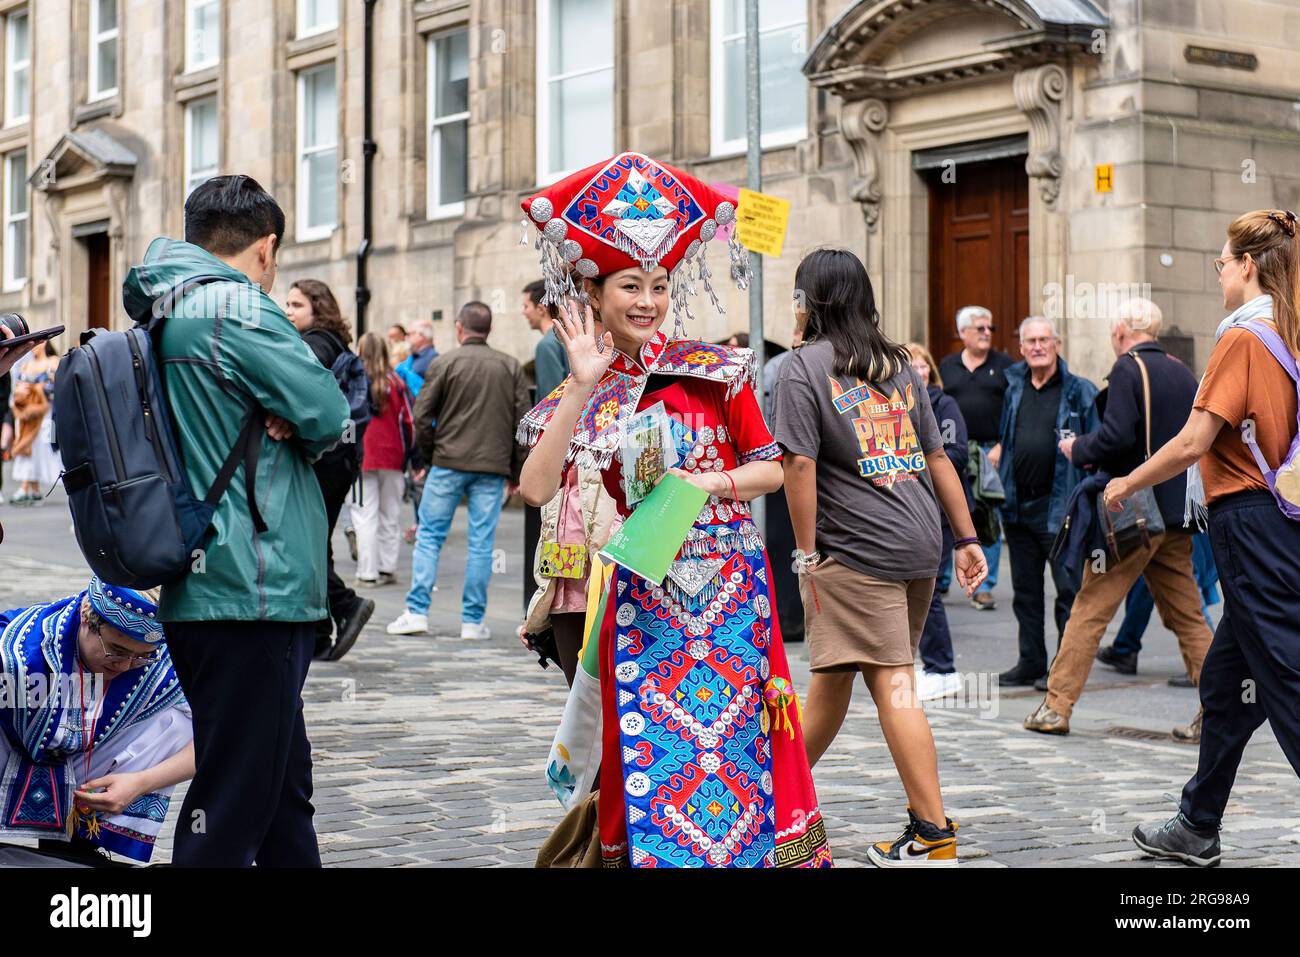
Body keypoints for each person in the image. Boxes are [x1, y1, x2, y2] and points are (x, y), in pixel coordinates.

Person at [518, 151, 830, 868]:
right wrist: (578, 386)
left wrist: (704, 485)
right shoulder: (587, 387)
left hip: (730, 598)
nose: (648, 301)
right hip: (640, 601)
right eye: (630, 284)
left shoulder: (717, 373)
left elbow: (771, 470)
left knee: (740, 745)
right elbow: (536, 488)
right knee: (650, 755)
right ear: (594, 293)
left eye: (659, 285)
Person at [124, 174, 349, 867]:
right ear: (267, 246)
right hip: (253, 578)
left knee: (281, 793)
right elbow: (329, 413)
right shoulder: (235, 307)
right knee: (230, 805)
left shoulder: (167, 305)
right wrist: (292, 413)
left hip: (205, 579)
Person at [774, 249, 986, 867]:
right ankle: (761, 794)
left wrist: (807, 553)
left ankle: (933, 831)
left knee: (894, 685)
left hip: (857, 550)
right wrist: (965, 538)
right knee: (835, 680)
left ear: (809, 301)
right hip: (919, 543)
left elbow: (798, 463)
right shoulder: (893, 364)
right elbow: (937, 457)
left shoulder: (799, 368)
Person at [1112, 209, 1300, 867]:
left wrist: (1125, 482)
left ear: (1248, 265)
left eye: (1221, 261)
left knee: (1286, 678)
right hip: (1277, 524)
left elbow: (1195, 441)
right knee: (1228, 684)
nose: (1219, 272)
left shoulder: (1244, 339)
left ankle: (1196, 822)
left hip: (1250, 526)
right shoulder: (1289, 333)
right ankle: (1197, 823)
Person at [1023, 298, 1211, 737]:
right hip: (1174, 515)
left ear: (1123, 330)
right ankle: (1217, 713)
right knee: (1188, 617)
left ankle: (1056, 706)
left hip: (1133, 515)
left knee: (1090, 607)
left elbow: (1116, 436)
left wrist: (1078, 448)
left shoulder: (1128, 368)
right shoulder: (1182, 370)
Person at [0, 578, 194, 865]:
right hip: (10, 746)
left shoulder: (163, 660)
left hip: (91, 761)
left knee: (182, 717)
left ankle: (79, 847)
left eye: (142, 656)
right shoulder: (14, 651)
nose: (126, 666)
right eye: (116, 650)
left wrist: (140, 783)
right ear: (86, 618)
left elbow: (228, 737)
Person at [387, 301, 529, 640]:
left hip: (447, 462)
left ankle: (417, 611)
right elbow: (523, 424)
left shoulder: (444, 363)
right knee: (482, 544)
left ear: (459, 328)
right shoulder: (510, 366)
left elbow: (422, 415)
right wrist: (515, 470)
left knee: (429, 536)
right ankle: (471, 621)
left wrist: (427, 456)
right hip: (492, 467)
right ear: (489, 330)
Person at [990, 317, 1097, 688]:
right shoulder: (1014, 387)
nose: (1037, 346)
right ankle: (1031, 661)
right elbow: (1007, 432)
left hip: (1060, 510)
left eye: (1044, 340)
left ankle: (1063, 670)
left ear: (1058, 344)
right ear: (1020, 348)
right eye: (1030, 341)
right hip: (1019, 507)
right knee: (1025, 593)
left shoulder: (1079, 391)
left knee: (1068, 592)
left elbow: (1095, 447)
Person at [286, 279, 375, 662]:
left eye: (296, 305)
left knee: (305, 542)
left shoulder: (315, 344)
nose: (288, 311)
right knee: (315, 540)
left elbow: (299, 393)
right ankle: (320, 633)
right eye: (287, 304)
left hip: (324, 459)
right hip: (339, 459)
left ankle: (346, 604)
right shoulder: (333, 341)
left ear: (317, 309)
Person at [907, 341, 972, 702]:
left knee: (928, 590)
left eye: (923, 366)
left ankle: (942, 668)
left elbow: (956, 452)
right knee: (913, 591)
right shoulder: (894, 404)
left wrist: (913, 462)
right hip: (912, 510)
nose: (919, 372)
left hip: (939, 510)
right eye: (911, 366)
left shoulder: (943, 404)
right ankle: (928, 662)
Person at [940, 306, 1015, 610]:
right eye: (979, 328)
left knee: (988, 518)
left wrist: (1001, 445)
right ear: (962, 334)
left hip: (989, 452)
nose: (986, 333)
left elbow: (1014, 409)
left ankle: (985, 584)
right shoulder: (947, 366)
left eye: (989, 328)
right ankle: (943, 579)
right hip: (955, 450)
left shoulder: (1005, 366)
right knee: (948, 511)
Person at [1098, 531, 1219, 683]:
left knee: (1189, 606)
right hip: (1171, 523)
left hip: (1168, 523)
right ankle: (1125, 646)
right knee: (1187, 605)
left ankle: (1213, 667)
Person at [351, 332, 414, 588]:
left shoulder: (354, 381)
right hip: (393, 456)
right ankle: (387, 567)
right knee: (390, 514)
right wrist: (411, 456)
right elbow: (409, 421)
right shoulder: (396, 382)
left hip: (361, 456)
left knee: (364, 515)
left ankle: (367, 572)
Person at [10, 342, 60, 505]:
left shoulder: (53, 361)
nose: (34, 348)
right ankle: (34, 489)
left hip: (44, 414)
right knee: (26, 447)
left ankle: (26, 488)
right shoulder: (26, 365)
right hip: (26, 414)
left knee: (37, 448)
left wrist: (36, 388)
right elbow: (17, 386)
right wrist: (21, 392)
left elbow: (54, 387)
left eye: (38, 344)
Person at [394, 319, 438, 397]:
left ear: (421, 335)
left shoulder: (433, 359)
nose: (406, 338)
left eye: (409, 334)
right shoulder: (412, 358)